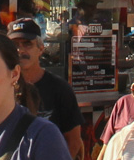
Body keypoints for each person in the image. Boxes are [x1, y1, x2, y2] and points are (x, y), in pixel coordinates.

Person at [8, 17, 85, 153]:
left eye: (27, 44)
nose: (20, 50)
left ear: (41, 49)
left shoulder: (60, 89)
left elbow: (74, 142)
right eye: (15, 45)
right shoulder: (1, 88)